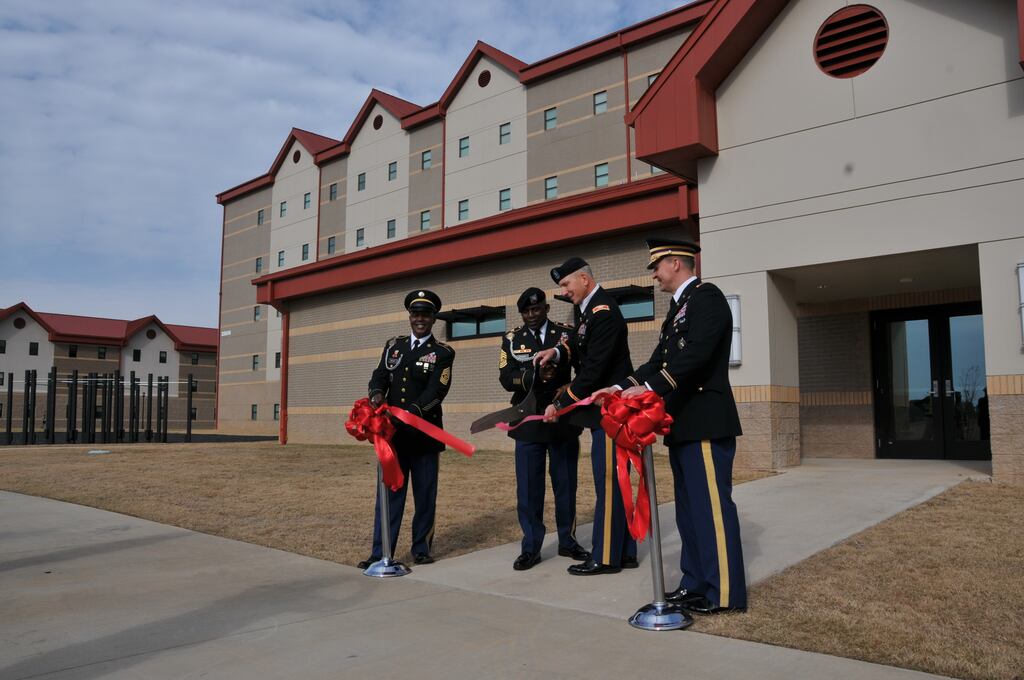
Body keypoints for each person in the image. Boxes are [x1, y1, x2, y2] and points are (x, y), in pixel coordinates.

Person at [595, 238, 746, 613]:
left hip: (706, 422)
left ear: (676, 263)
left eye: (657, 267)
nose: (655, 275)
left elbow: (697, 353)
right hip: (682, 425)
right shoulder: (679, 309)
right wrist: (619, 387)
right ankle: (695, 582)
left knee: (711, 509)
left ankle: (723, 591)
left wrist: (648, 389)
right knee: (689, 512)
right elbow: (656, 362)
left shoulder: (706, 298)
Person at [534, 258, 638, 575]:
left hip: (610, 411)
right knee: (615, 481)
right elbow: (579, 347)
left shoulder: (603, 312)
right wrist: (556, 352)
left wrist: (562, 401)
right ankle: (625, 552)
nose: (564, 292)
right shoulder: (588, 310)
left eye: (566, 285)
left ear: (584, 279)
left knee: (608, 481)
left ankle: (606, 556)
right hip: (603, 411)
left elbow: (593, 371)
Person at [357, 289, 455, 568]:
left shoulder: (443, 353)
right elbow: (380, 375)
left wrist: (408, 414)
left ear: (433, 318)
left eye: (425, 314)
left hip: (424, 437)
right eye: (416, 314)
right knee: (389, 497)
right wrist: (377, 394)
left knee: (425, 496)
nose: (420, 319)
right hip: (394, 439)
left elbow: (437, 391)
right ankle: (380, 552)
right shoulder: (394, 346)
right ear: (410, 317)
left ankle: (421, 549)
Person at [499, 287, 590, 571]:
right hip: (527, 423)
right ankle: (531, 547)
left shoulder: (566, 334)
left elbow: (585, 367)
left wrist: (569, 387)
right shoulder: (512, 339)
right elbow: (506, 377)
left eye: (536, 310)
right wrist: (533, 374)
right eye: (526, 311)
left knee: (565, 485)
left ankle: (568, 541)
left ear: (546, 309)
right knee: (529, 489)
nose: (531, 315)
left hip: (562, 419)